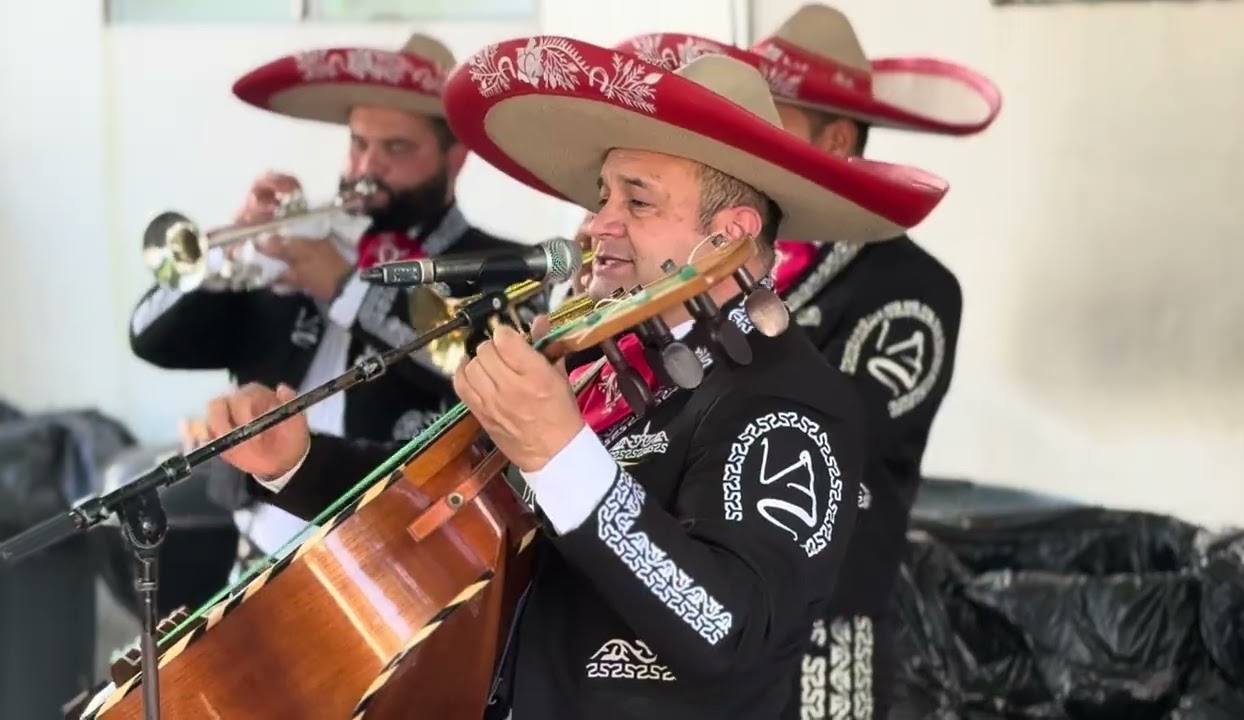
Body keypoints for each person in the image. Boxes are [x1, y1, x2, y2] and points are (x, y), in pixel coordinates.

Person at [193, 35, 948, 719]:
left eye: (637, 201)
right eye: (601, 198)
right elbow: (443, 494)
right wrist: (293, 459)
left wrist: (560, 454)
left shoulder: (791, 402)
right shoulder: (598, 354)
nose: (595, 225)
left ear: (729, 234)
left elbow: (727, 628)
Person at [617, 10, 1002, 718]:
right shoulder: (744, 271)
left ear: (835, 140)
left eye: (775, 118)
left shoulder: (913, 289)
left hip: (826, 621)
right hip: (708, 599)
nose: (748, 134)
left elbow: (830, 439)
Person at [127, 33, 539, 571]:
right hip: (257, 562)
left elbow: (481, 364)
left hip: (407, 556)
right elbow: (151, 338)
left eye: (396, 148)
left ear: (454, 160)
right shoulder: (302, 247)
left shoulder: (499, 263)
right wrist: (233, 253)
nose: (367, 168)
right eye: (358, 144)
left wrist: (347, 288)